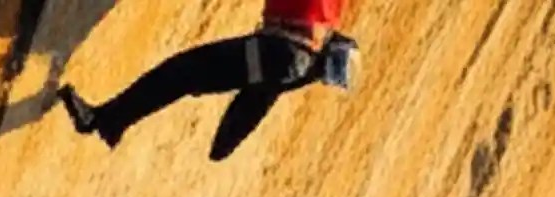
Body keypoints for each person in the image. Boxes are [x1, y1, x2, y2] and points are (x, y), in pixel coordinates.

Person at [57, 0, 359, 160]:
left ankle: (105, 121)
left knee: (185, 72)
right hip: (288, 57)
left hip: (282, 53)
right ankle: (110, 121)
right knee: (238, 87)